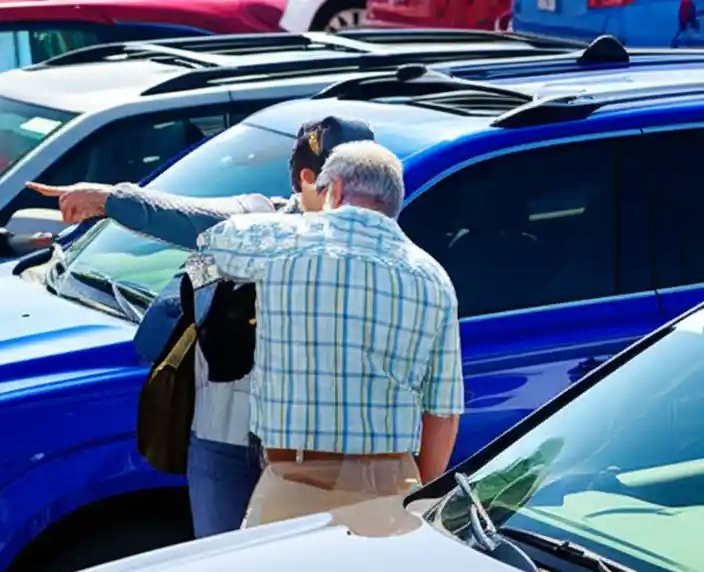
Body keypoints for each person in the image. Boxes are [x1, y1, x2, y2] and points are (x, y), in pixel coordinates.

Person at [27, 116, 377, 538]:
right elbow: (191, 217)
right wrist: (109, 200)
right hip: (222, 440)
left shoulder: (387, 256)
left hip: (314, 454)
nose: (361, 195)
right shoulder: (259, 220)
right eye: (350, 178)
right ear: (307, 178)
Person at [195, 141, 463, 528]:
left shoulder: (280, 241)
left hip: (296, 480)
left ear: (334, 189)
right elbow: (444, 413)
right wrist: (415, 498)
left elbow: (208, 244)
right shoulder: (434, 279)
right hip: (392, 485)